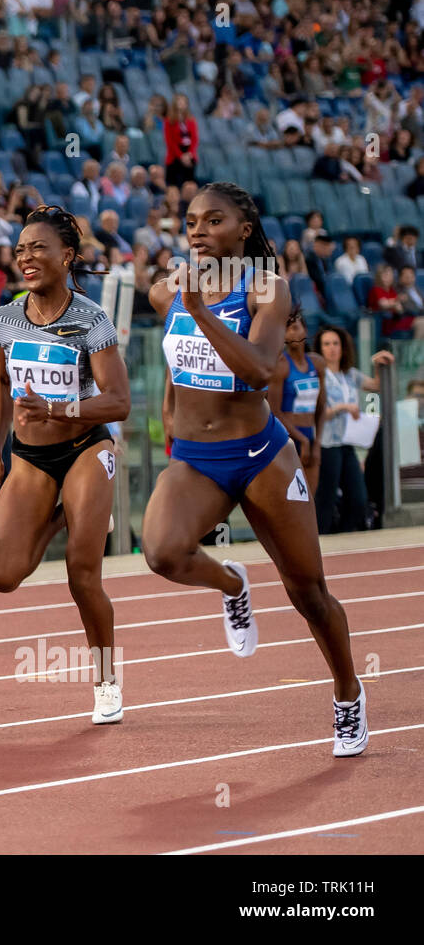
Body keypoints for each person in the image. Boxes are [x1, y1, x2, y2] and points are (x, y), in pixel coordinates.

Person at [144, 182, 368, 757]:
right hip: (197, 458)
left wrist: (199, 309)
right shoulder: (167, 289)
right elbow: (175, 356)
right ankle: (232, 583)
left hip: (261, 455)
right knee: (163, 552)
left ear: (244, 230)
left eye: (213, 220)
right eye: (190, 219)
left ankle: (347, 693)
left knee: (308, 591)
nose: (197, 229)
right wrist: (171, 410)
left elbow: (257, 370)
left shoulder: (266, 287)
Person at [0, 206, 127, 720]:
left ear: (67, 255)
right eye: (20, 249)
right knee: (3, 575)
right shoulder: (7, 317)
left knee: (82, 576)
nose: (26, 257)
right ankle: (67, 514)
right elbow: (0, 383)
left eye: (37, 247)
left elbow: (120, 401)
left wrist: (57, 409)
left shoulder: (91, 319)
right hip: (30, 455)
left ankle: (105, 679)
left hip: (85, 446)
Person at [315, 325, 394, 534]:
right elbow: (316, 414)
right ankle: (320, 539)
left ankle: (344, 534)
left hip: (347, 443)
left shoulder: (349, 374)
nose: (332, 348)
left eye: (335, 344)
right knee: (326, 497)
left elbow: (375, 385)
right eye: (327, 344)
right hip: (327, 444)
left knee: (359, 498)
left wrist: (378, 364)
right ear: (320, 348)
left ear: (343, 347)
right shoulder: (317, 375)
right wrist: (342, 408)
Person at [268, 301, 326, 497]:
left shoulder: (317, 363)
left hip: (309, 434)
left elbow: (321, 407)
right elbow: (274, 411)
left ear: (305, 330)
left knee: (312, 495)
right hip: (289, 438)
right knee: (292, 498)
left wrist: (316, 442)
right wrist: (302, 440)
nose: (291, 334)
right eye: (286, 330)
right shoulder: (281, 365)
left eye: (295, 328)